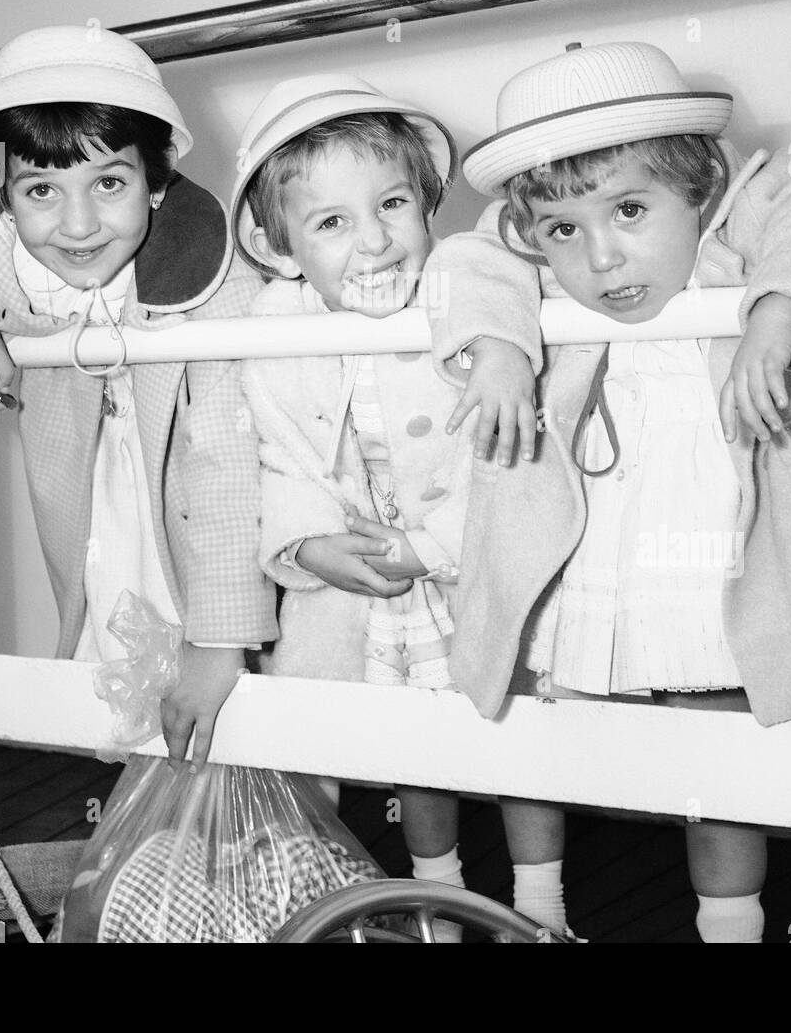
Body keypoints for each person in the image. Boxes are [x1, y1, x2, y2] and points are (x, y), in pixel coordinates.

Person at [423, 40, 791, 943]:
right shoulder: (536, 270)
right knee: (707, 765)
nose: (601, 257)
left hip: (776, 564)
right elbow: (470, 255)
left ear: (701, 187)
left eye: (630, 209)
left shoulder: (744, 223)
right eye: (564, 230)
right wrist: (495, 347)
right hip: (657, 575)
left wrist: (778, 309)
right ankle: (723, 925)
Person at [233, 73, 570, 940]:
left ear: (427, 204)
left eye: (393, 204)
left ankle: (542, 906)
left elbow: (511, 462)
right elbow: (282, 461)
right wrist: (307, 547)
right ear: (278, 248)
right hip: (374, 586)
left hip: (468, 564)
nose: (376, 241)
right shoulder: (274, 331)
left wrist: (501, 350)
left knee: (519, 729)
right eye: (331, 223)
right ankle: (435, 900)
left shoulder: (463, 292)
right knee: (410, 747)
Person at [0, 25, 277, 767]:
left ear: (156, 182)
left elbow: (229, 467)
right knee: (122, 667)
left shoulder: (218, 283)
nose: (78, 225)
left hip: (200, 506)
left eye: (109, 183)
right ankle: (151, 818)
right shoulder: (9, 256)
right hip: (103, 500)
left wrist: (221, 640)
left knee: (231, 709)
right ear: (5, 200)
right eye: (41, 190)